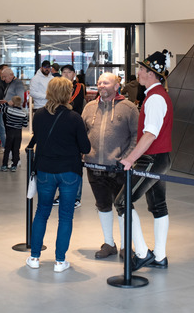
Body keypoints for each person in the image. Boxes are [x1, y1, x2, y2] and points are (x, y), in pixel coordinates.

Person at [26, 77, 91, 273]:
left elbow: (38, 138)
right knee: (65, 216)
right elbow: (85, 147)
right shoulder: (75, 118)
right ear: (68, 94)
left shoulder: (38, 115)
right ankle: (60, 261)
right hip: (69, 171)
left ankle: (35, 257)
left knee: (41, 212)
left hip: (45, 169)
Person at [117, 50, 174, 271]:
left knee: (122, 202)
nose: (138, 72)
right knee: (158, 205)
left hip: (152, 159)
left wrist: (130, 159)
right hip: (161, 158)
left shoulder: (156, 98)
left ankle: (142, 253)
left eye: (142, 69)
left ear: (152, 74)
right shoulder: (156, 95)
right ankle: (159, 256)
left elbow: (150, 134)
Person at [82, 73, 138, 259]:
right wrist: (83, 154)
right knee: (103, 205)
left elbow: (137, 136)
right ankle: (109, 243)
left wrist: (127, 158)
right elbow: (82, 134)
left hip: (119, 169)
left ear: (116, 85)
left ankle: (125, 246)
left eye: (106, 82)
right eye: (99, 82)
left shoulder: (129, 108)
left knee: (122, 207)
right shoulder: (89, 107)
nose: (101, 85)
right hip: (94, 167)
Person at [52, 64, 87, 208]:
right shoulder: (57, 87)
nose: (66, 74)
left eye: (69, 72)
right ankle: (62, 194)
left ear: (74, 74)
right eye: (64, 72)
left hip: (74, 125)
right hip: (59, 126)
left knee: (76, 162)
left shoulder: (79, 87)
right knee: (60, 162)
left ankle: (75, 197)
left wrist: (60, 104)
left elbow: (74, 103)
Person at [0, 95, 28, 172]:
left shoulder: (8, 110)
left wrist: (7, 103)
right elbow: (25, 124)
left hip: (10, 132)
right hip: (18, 133)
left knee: (7, 149)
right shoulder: (23, 113)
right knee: (16, 149)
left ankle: (4, 165)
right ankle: (14, 166)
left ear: (13, 103)